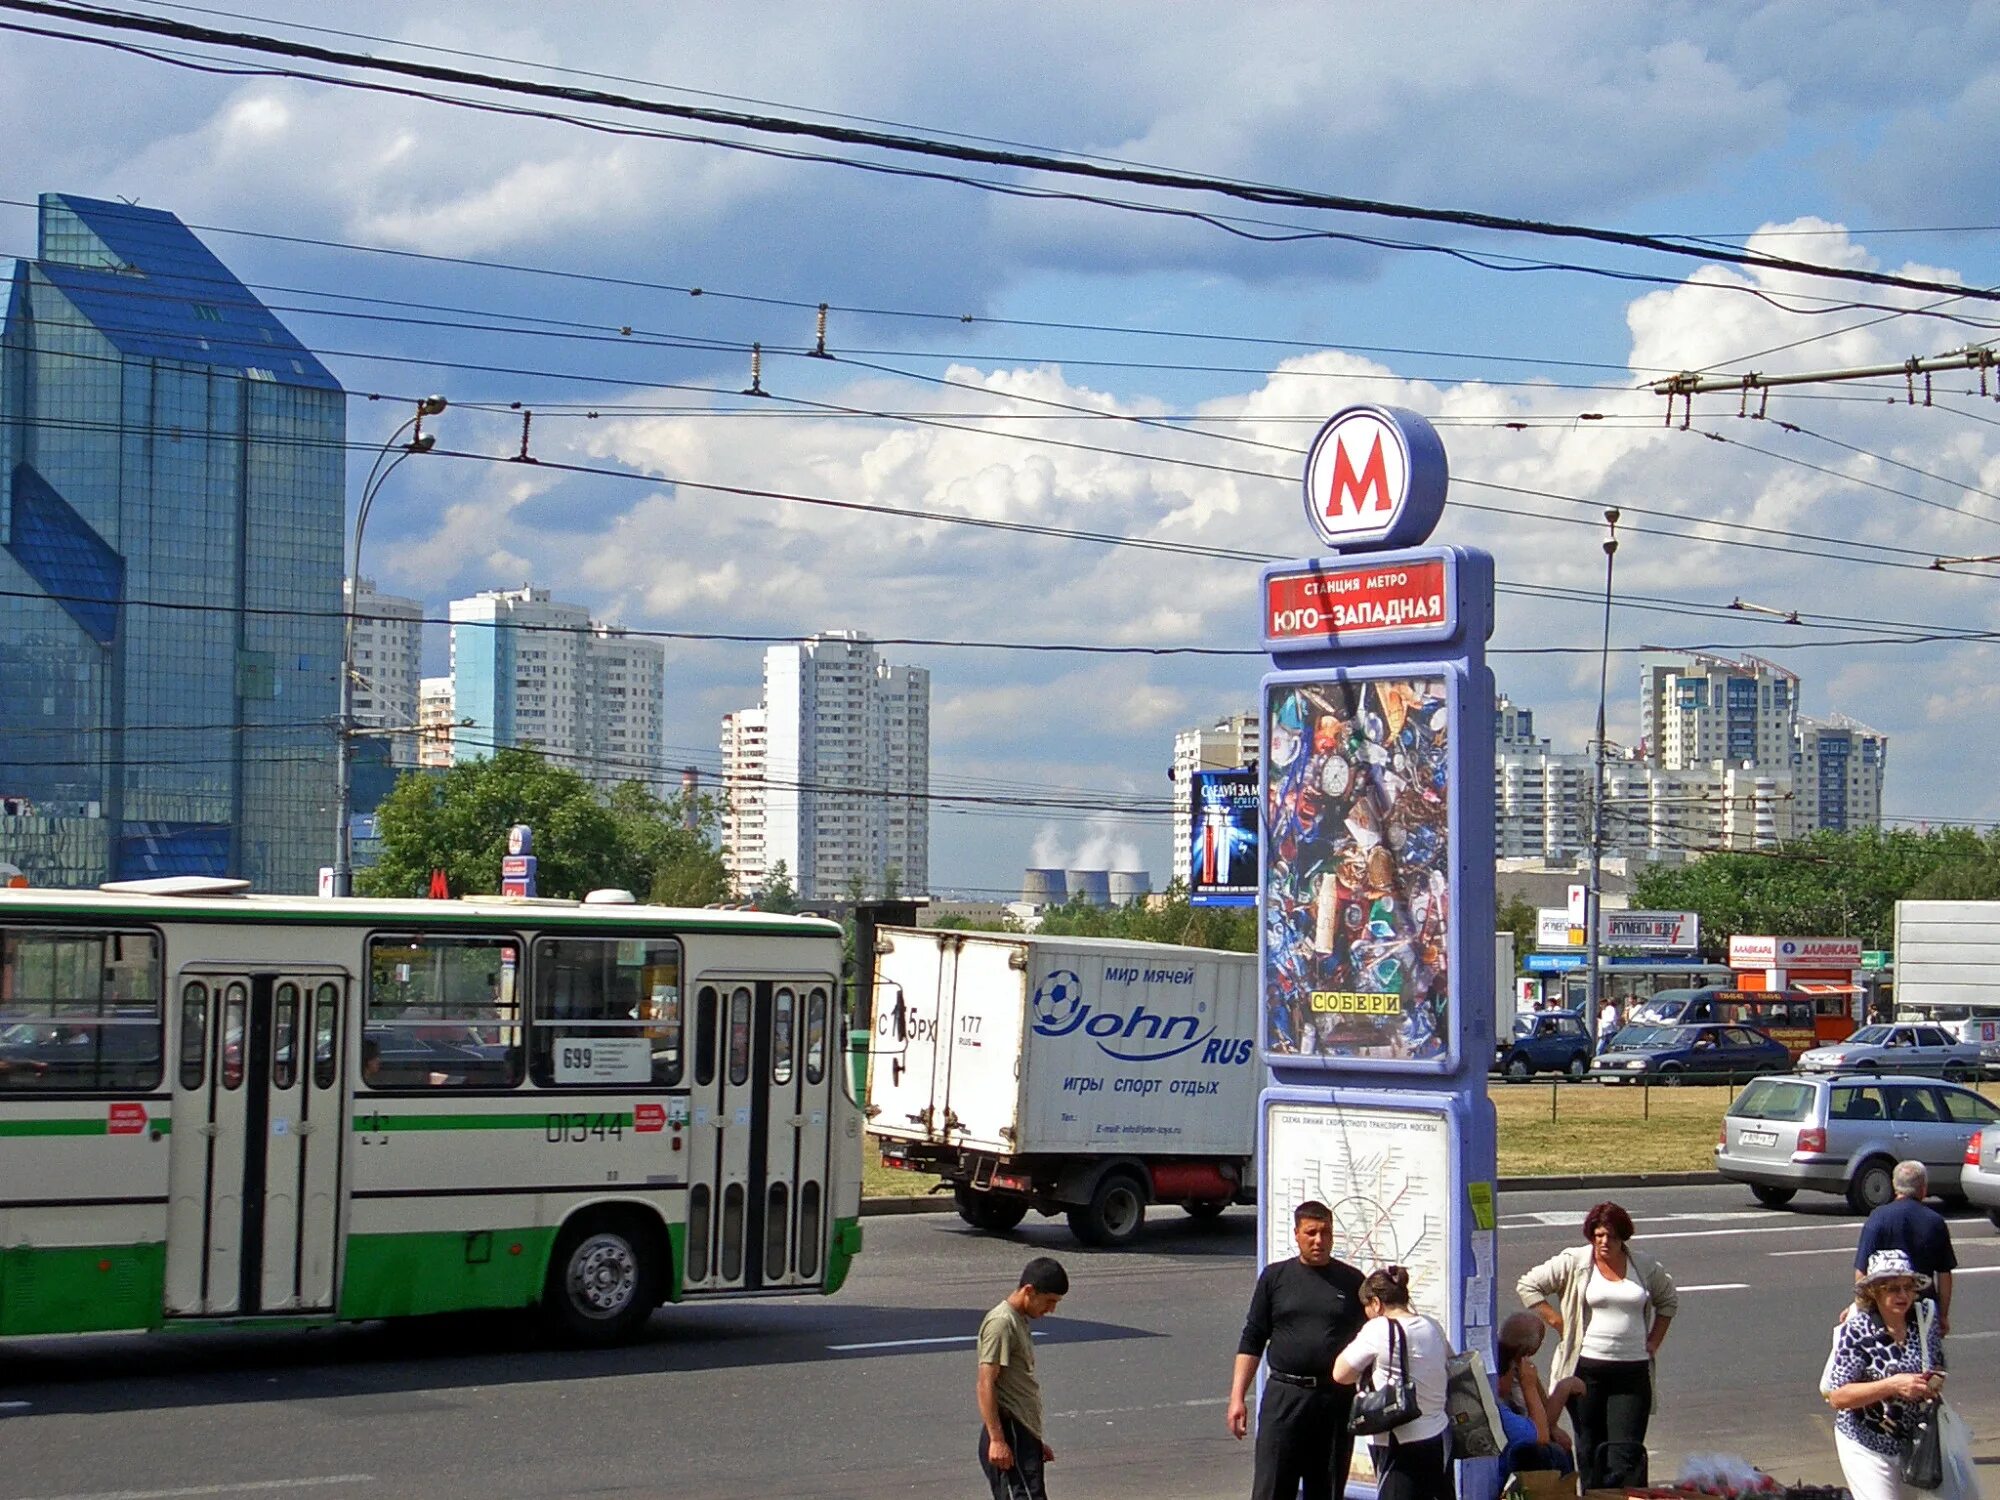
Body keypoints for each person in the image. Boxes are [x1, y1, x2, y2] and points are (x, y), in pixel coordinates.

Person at [1516, 1200, 1678, 1489]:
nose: (1604, 1242)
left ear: (1623, 1238)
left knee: (1624, 1455)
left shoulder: (1643, 1266)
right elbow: (1528, 1285)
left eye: (1612, 1237)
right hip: (1586, 1374)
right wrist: (1558, 1322)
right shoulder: (1575, 1262)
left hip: (1632, 1374)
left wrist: (1654, 1341)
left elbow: (1668, 1301)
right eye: (1599, 1235)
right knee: (1591, 1450)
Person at [1228, 1199, 1367, 1500]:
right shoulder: (1275, 1278)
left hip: (1334, 1400)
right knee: (1272, 1487)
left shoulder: (1352, 1281)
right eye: (1311, 1233)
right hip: (1285, 1398)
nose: (1319, 1240)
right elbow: (1253, 1337)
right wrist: (1237, 1397)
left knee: (1327, 1489)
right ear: (1297, 1234)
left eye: (1326, 1232)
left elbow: (1371, 1339)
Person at [1824, 1250, 1946, 1500]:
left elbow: (1937, 1366)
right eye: (1892, 1289)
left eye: (1907, 1288)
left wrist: (1931, 1384)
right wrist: (1893, 1385)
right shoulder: (1857, 1331)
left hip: (1913, 1443)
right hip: (1865, 1442)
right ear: (1874, 1292)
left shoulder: (1923, 1323)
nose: (1902, 1295)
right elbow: (1838, 1397)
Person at [1333, 1266, 1453, 1500]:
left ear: (1376, 1303)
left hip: (1398, 1439)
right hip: (1436, 1435)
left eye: (1366, 1307)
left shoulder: (1378, 1329)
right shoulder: (1432, 1325)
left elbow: (1340, 1373)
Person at [976, 1255, 1068, 1500]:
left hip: (1021, 1435)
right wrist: (997, 1439)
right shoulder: (1002, 1323)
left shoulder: (1019, 1320)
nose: (1051, 1309)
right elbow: (986, 1382)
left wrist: (1035, 1442)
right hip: (1010, 1433)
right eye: (1049, 1301)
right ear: (1029, 1291)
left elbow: (1016, 1384)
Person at [1855, 1162, 1956, 1335]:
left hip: (1886, 1310)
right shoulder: (1935, 1221)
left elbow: (1861, 1272)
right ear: (1923, 1189)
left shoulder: (1878, 1218)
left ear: (1895, 1186)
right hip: (1923, 1310)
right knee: (1927, 1358)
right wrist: (1942, 1315)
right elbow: (1944, 1275)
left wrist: (1861, 1310)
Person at [1494, 1311, 1580, 1481]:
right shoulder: (1512, 1373)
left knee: (1561, 1444)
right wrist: (1563, 1388)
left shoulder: (1523, 1368)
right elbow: (1541, 1431)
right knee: (1556, 1451)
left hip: (1527, 1434)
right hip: (1520, 1449)